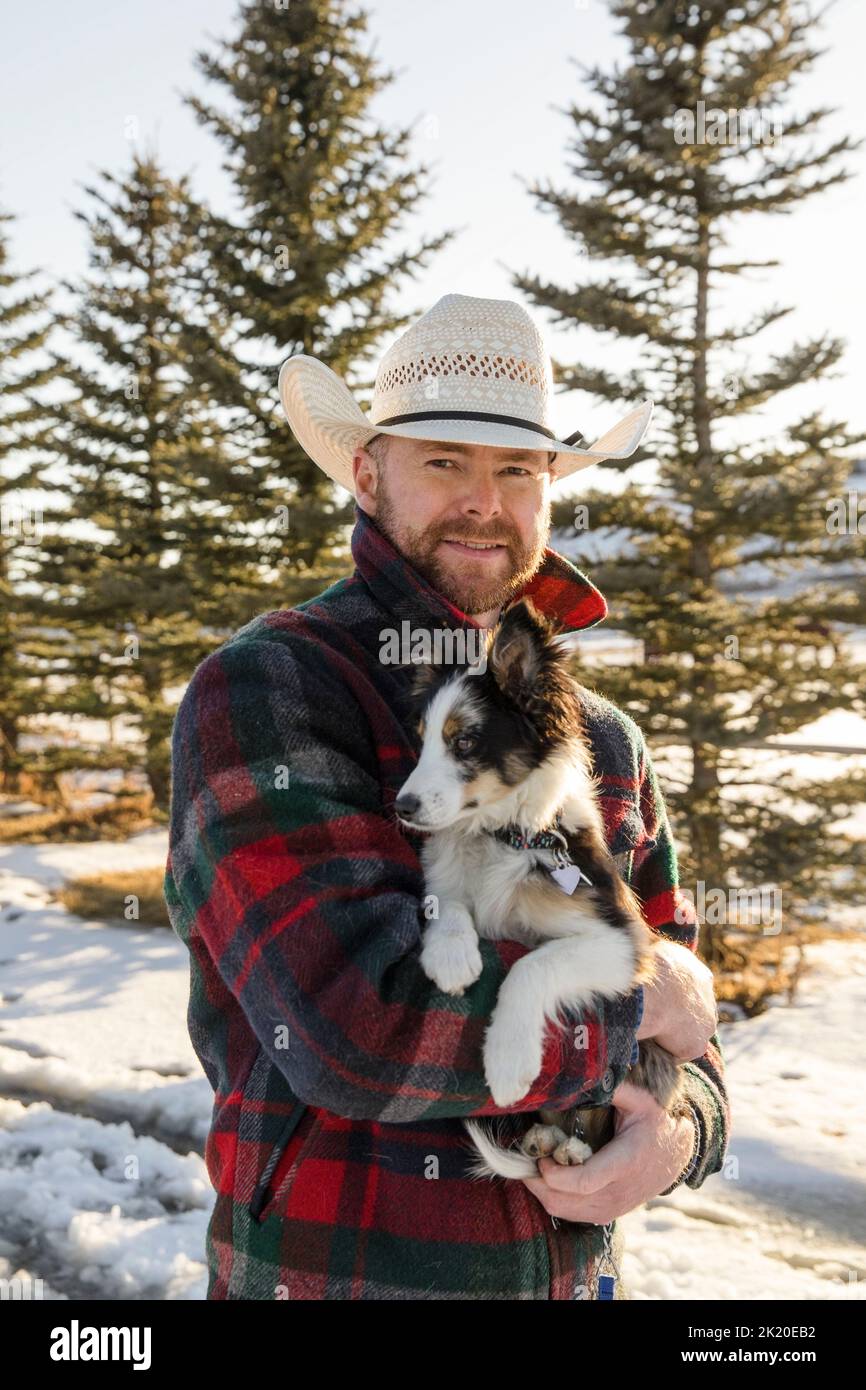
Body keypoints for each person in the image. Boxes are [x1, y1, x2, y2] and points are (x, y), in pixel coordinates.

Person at [164, 292, 728, 1300]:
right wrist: (643, 994)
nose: (484, 499)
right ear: (368, 470)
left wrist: (678, 1131)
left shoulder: (600, 738)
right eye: (443, 461)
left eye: (516, 467)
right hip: (338, 1278)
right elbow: (357, 1026)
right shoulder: (272, 688)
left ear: (548, 490)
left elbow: (693, 1044)